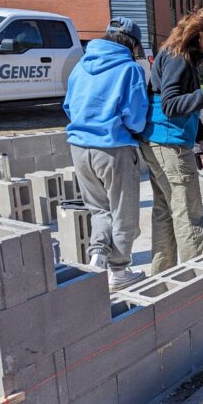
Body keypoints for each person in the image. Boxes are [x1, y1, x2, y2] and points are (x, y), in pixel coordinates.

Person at [140, 7, 203, 274]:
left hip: (163, 140)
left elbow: (186, 105)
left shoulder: (183, 56)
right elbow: (171, 104)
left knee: (165, 211)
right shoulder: (178, 58)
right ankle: (196, 280)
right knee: (189, 215)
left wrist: (201, 139)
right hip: (169, 143)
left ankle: (162, 277)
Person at [63, 17, 149, 290]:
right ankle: (119, 271)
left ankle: (97, 257)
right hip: (114, 148)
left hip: (79, 148)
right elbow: (136, 119)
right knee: (123, 212)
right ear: (133, 44)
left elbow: (69, 106)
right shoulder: (129, 69)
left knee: (99, 209)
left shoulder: (81, 66)